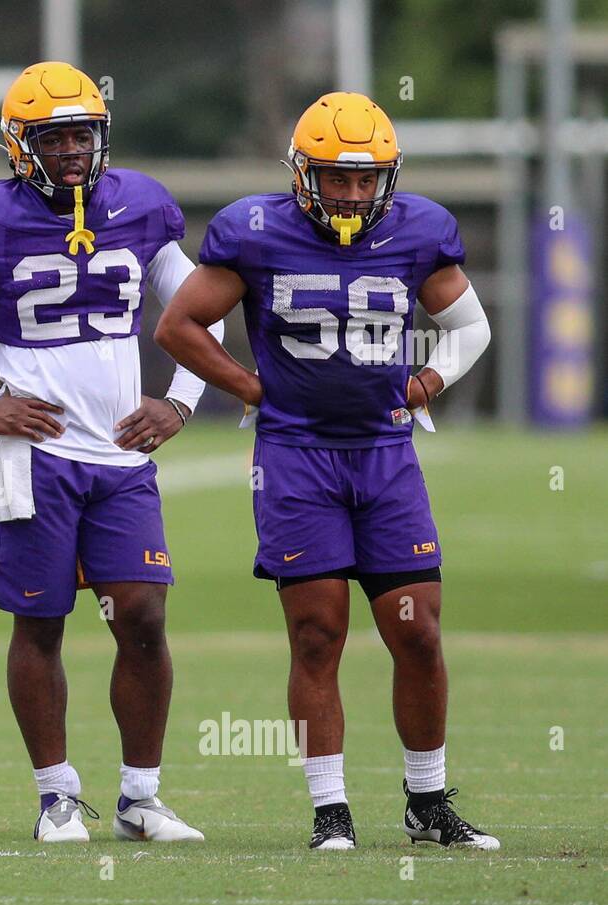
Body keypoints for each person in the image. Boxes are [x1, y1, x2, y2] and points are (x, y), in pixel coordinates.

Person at [0, 62, 219, 843]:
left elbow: (206, 310)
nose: (71, 149)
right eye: (54, 136)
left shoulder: (139, 205)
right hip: (33, 460)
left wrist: (181, 400)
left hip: (121, 457)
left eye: (82, 133)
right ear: (17, 144)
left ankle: (140, 795)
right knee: (41, 624)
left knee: (142, 614)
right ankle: (56, 795)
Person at [155, 92, 498, 851]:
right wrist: (247, 385)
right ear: (302, 174)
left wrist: (427, 383)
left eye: (365, 179)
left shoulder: (419, 232)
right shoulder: (254, 230)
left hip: (384, 456)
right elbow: (177, 324)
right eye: (336, 179)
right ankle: (330, 810)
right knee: (317, 634)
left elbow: (469, 325)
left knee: (419, 632)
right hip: (296, 458)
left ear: (388, 178)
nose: (350, 194)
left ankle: (427, 800)